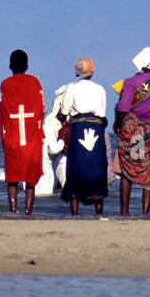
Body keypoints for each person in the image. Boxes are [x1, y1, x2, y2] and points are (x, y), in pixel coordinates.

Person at [115, 47, 150, 215]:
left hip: (136, 133)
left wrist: (118, 124)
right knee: (148, 169)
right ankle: (145, 212)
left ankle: (124, 211)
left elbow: (124, 108)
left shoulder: (131, 82)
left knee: (128, 169)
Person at [59, 58, 110, 215]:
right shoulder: (100, 89)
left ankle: (75, 211)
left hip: (79, 127)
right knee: (97, 166)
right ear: (92, 72)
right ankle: (98, 211)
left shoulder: (71, 88)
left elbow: (64, 111)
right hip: (97, 127)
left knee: (75, 166)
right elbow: (102, 113)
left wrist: (60, 119)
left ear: (77, 72)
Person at [0, 49, 45, 215]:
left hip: (12, 137)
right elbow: (42, 108)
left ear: (10, 66)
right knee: (30, 178)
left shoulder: (5, 84)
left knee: (12, 177)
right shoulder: (34, 82)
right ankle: (28, 210)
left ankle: (12, 210)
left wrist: (3, 137)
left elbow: (0, 111)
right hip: (31, 138)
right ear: (27, 66)